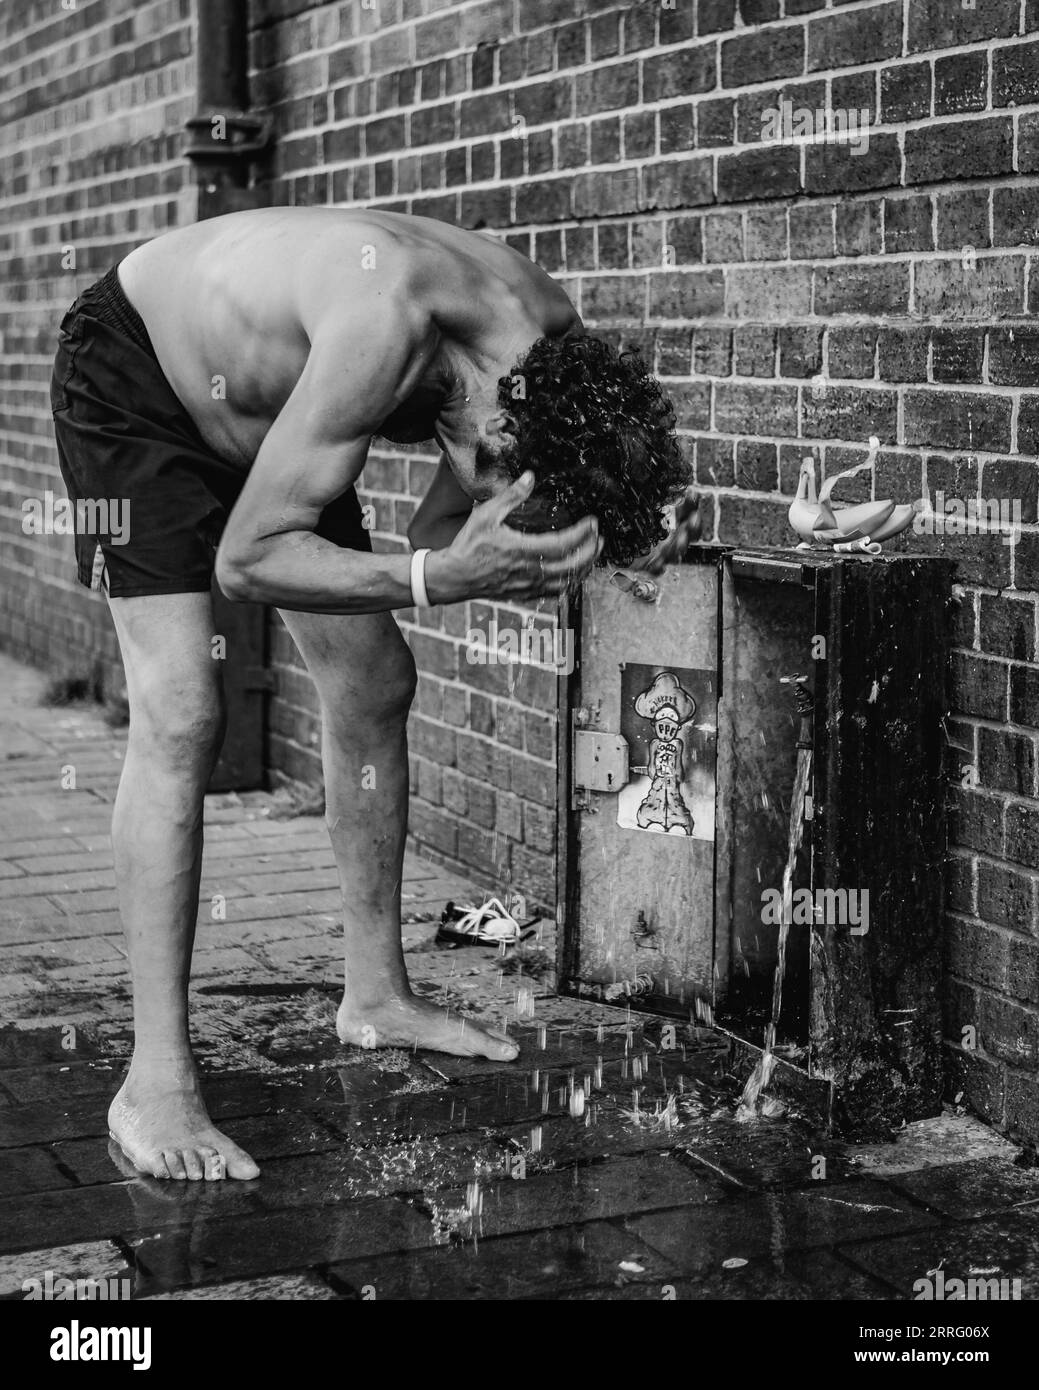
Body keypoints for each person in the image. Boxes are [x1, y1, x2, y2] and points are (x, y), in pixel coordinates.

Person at [50, 207, 699, 1180]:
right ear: (506, 423)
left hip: (274, 421)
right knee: (183, 706)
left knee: (373, 676)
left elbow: (456, 510)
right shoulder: (386, 322)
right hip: (138, 379)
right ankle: (153, 1077)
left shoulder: (542, 349)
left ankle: (375, 992)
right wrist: (443, 576)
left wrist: (623, 534)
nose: (487, 492)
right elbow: (250, 561)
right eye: (499, 479)